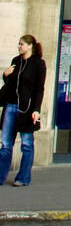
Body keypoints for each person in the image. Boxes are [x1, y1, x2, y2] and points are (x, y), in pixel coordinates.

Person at [0, 34, 46, 187]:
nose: (19, 47)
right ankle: (0, 176)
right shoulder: (16, 61)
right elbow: (11, 84)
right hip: (11, 105)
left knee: (26, 144)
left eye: (21, 44)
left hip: (26, 108)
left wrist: (37, 110)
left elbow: (39, 89)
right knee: (6, 143)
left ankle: (23, 177)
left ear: (30, 46)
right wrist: (5, 75)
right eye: (19, 44)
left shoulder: (38, 64)